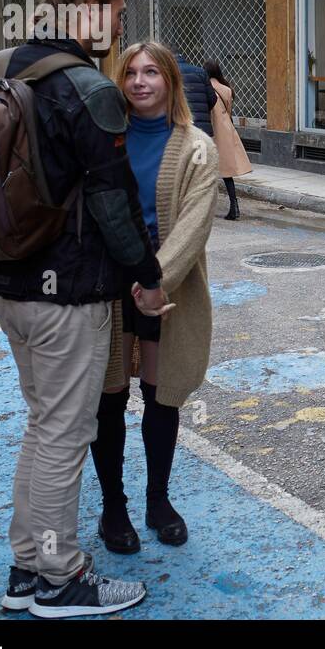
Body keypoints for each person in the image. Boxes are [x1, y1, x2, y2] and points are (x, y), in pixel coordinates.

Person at [0, 0, 163, 618]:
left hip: (4, 277)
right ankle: (60, 575)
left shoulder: (1, 65)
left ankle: (27, 567)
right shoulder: (87, 85)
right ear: (93, 10)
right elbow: (113, 203)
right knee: (64, 433)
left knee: (42, 425)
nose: (121, 21)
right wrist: (146, 276)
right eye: (117, 9)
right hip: (65, 289)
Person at [91, 41, 219, 554]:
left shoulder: (196, 147)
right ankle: (113, 507)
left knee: (160, 394)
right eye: (130, 74)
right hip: (107, 285)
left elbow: (193, 226)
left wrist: (155, 283)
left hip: (168, 289)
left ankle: (158, 500)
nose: (140, 82)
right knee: (109, 395)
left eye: (151, 73)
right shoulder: (105, 140)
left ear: (169, 80)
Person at [204, 59, 252, 221]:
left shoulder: (205, 87)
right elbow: (229, 112)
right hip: (225, 130)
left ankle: (204, 208)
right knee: (226, 173)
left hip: (210, 130)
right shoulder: (227, 89)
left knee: (204, 170)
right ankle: (234, 206)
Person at [175, 51, 217, 137]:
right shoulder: (201, 72)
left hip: (180, 127)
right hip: (203, 128)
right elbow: (213, 98)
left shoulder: (168, 73)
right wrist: (203, 110)